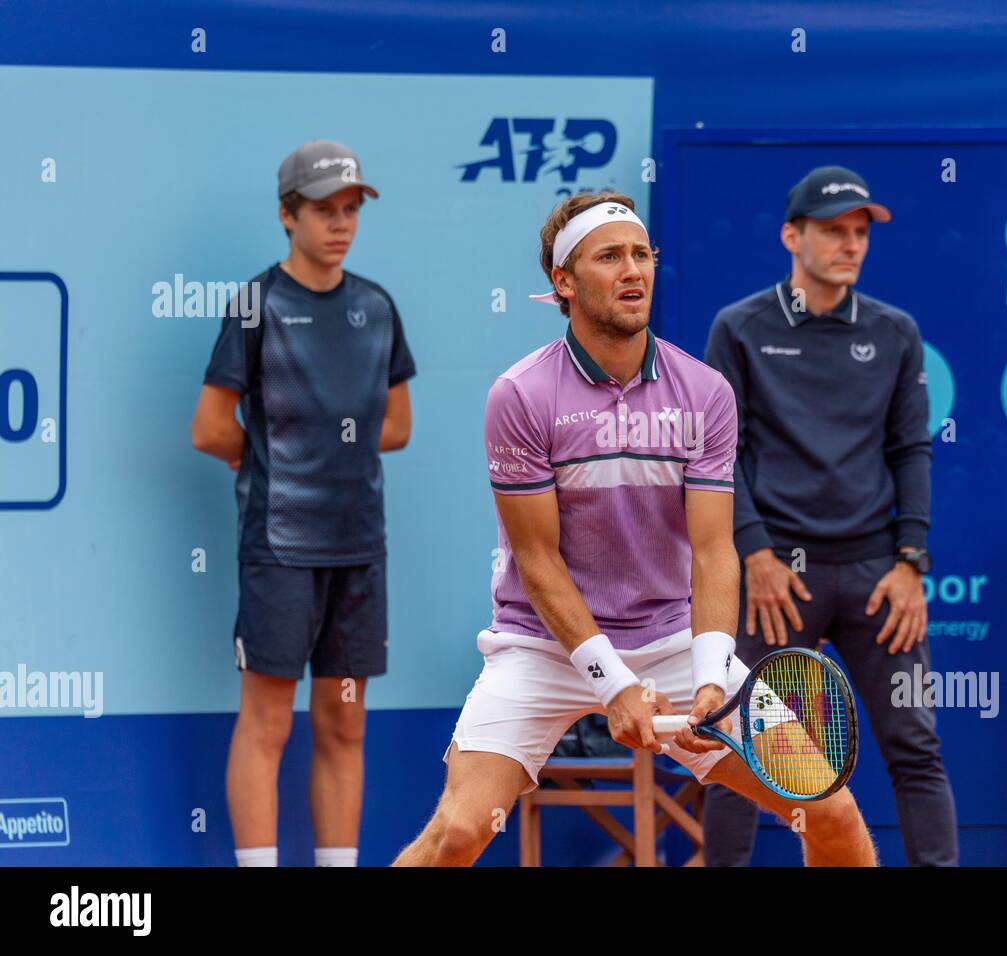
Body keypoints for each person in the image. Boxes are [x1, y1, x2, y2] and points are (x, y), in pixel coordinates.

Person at [392, 191, 875, 867]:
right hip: (542, 645)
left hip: (673, 641)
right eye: (609, 256)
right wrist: (611, 682)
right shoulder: (521, 396)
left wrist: (709, 672)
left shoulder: (705, 392)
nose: (633, 271)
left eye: (642, 255)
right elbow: (538, 560)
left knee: (831, 813)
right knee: (460, 832)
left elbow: (711, 549)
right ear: (563, 282)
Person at [700, 165, 958, 866]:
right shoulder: (740, 328)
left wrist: (911, 563)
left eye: (859, 233)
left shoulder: (895, 333)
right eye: (833, 231)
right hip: (776, 580)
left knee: (915, 748)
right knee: (740, 750)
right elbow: (719, 457)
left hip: (877, 577)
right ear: (792, 236)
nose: (851, 245)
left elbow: (911, 451)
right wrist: (753, 555)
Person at [190, 140, 416, 867]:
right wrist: (270, 460)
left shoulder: (377, 306)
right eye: (324, 210)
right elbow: (209, 428)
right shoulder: (255, 304)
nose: (341, 224)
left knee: (344, 722)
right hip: (280, 552)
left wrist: (325, 444)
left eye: (351, 210)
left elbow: (398, 425)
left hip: (358, 557)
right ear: (287, 216)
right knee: (268, 723)